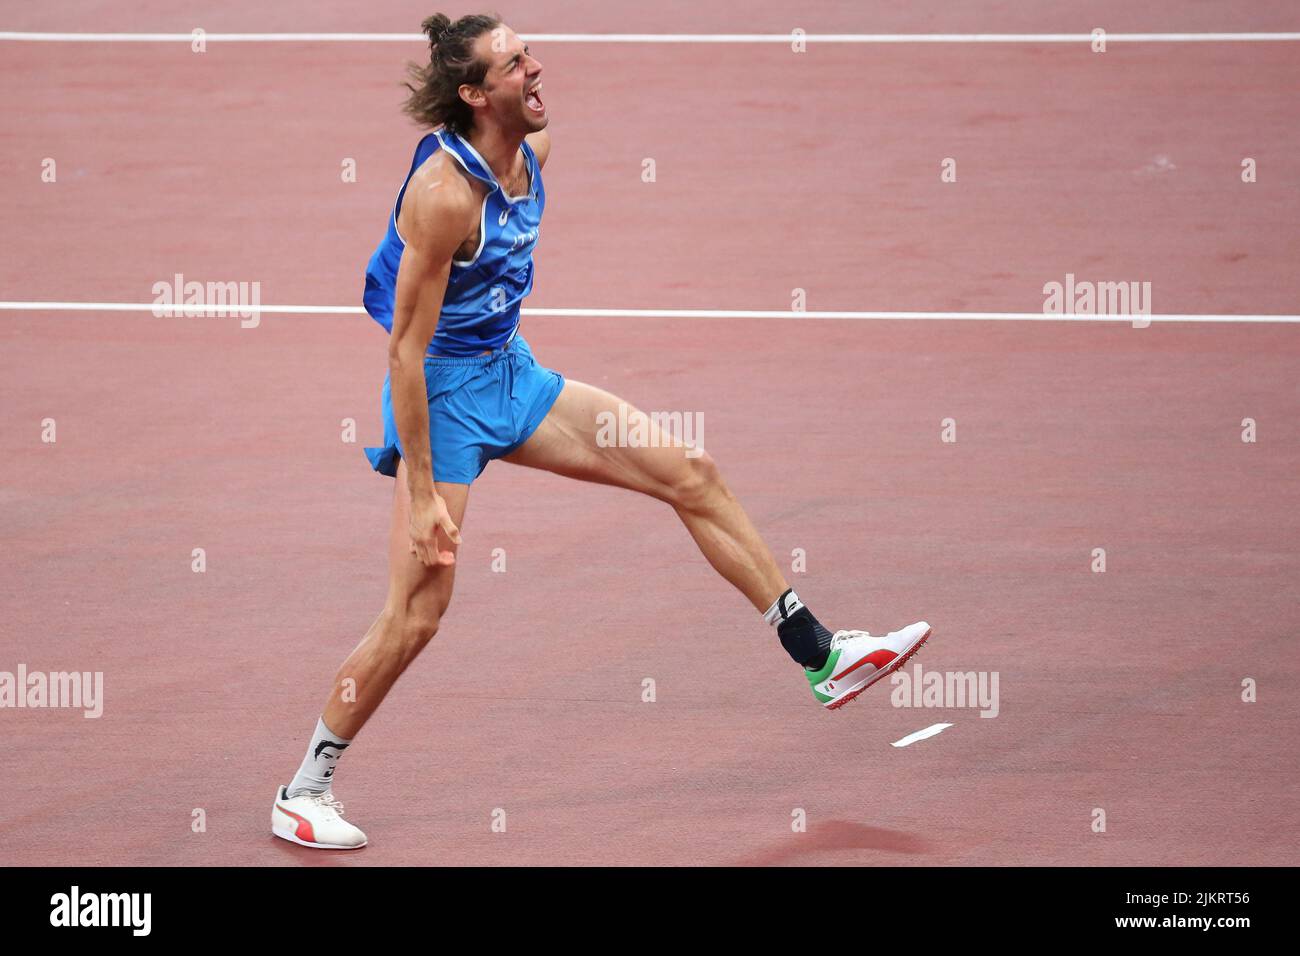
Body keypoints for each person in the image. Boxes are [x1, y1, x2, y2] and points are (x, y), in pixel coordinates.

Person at [271, 13, 931, 850]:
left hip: (513, 374)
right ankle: (303, 788)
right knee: (417, 614)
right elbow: (404, 349)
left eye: (528, 54)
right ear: (475, 94)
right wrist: (420, 486)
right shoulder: (444, 196)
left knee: (689, 470)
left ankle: (820, 656)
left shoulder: (532, 154)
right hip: (442, 400)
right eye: (515, 65)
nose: (536, 69)